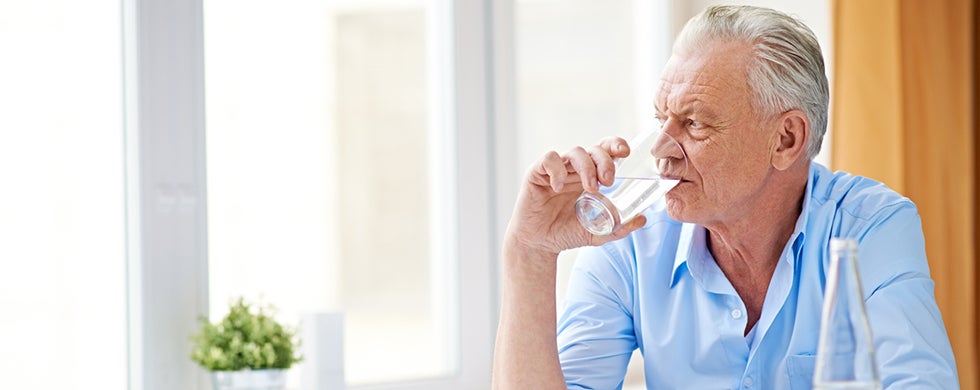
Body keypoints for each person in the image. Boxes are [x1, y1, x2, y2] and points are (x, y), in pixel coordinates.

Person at [492, 5, 958, 389]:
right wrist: (530, 251)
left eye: (694, 123)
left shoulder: (869, 228)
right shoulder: (629, 235)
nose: (659, 149)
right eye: (660, 119)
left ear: (786, 139)